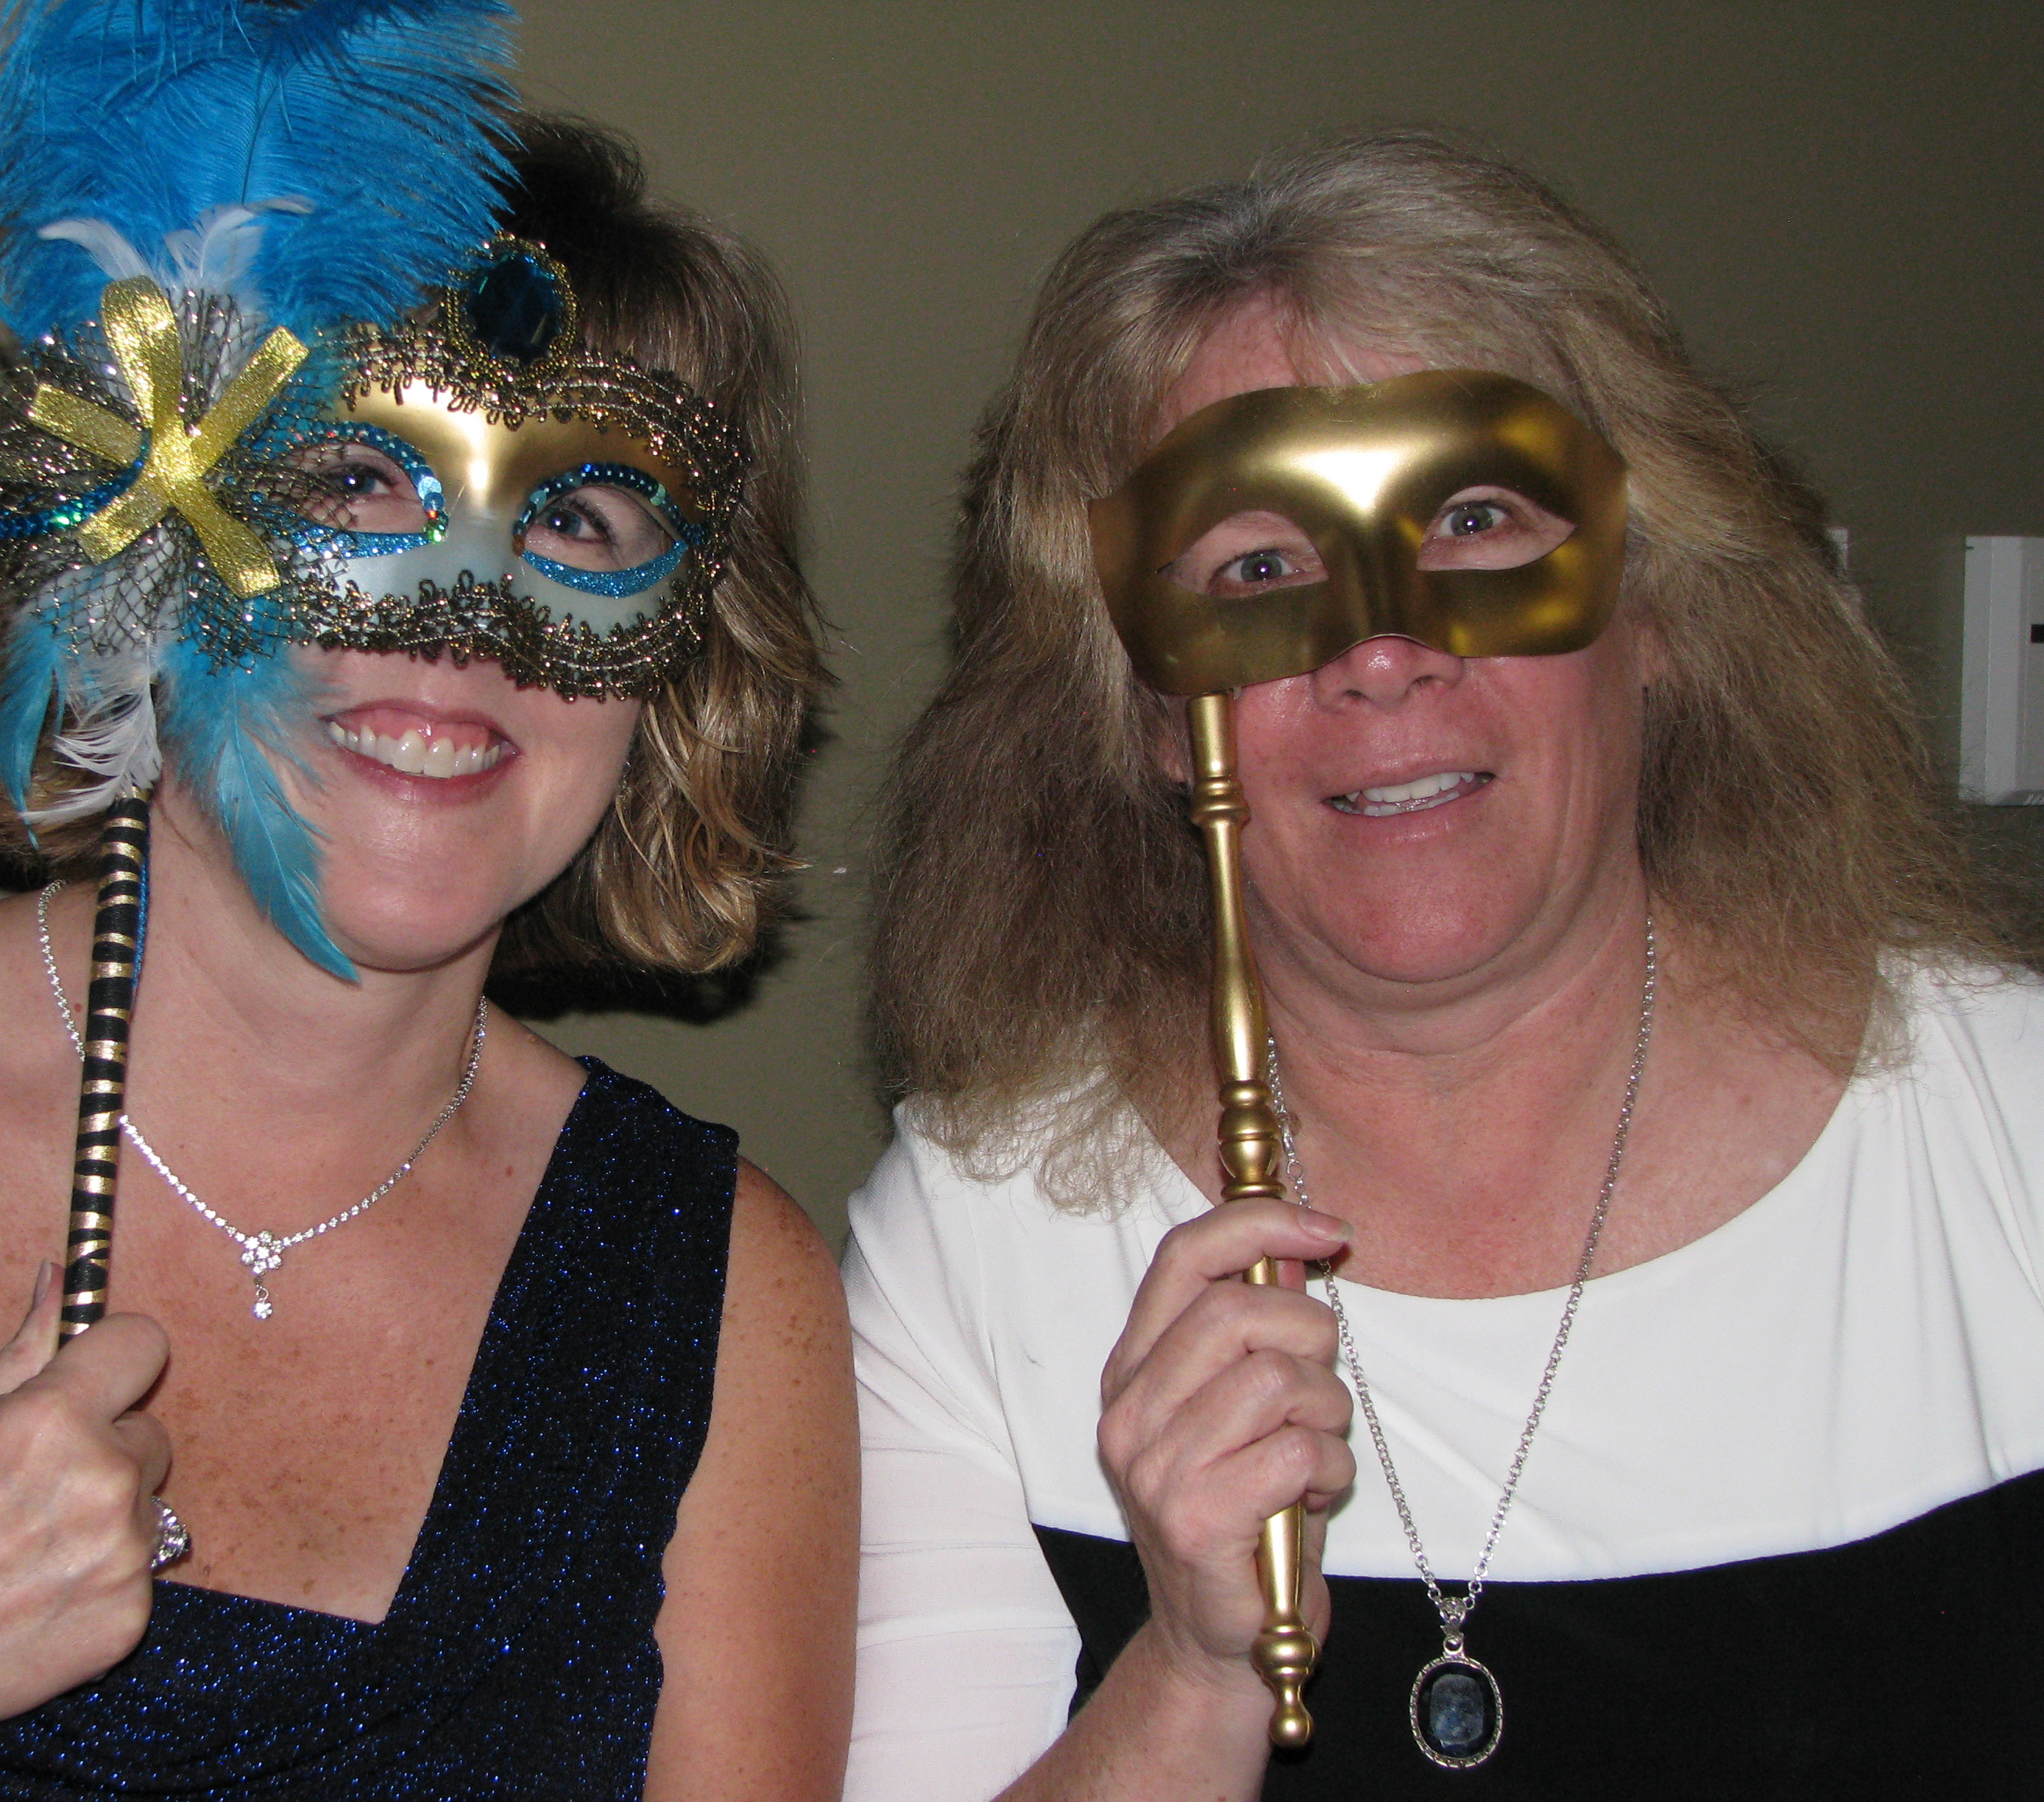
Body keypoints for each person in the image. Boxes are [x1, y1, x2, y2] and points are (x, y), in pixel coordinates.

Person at [0, 6, 853, 1797]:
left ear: (676, 671)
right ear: (138, 542)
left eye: (585, 520)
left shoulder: (721, 1299)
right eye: (357, 479)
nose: (461, 619)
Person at [844, 131, 2044, 1799]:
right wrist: (1191, 1672)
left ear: (1663, 611)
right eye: (1258, 568)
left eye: (1476, 518)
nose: (1381, 650)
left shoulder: (2011, 1145)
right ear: (1120, 709)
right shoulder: (978, 1255)